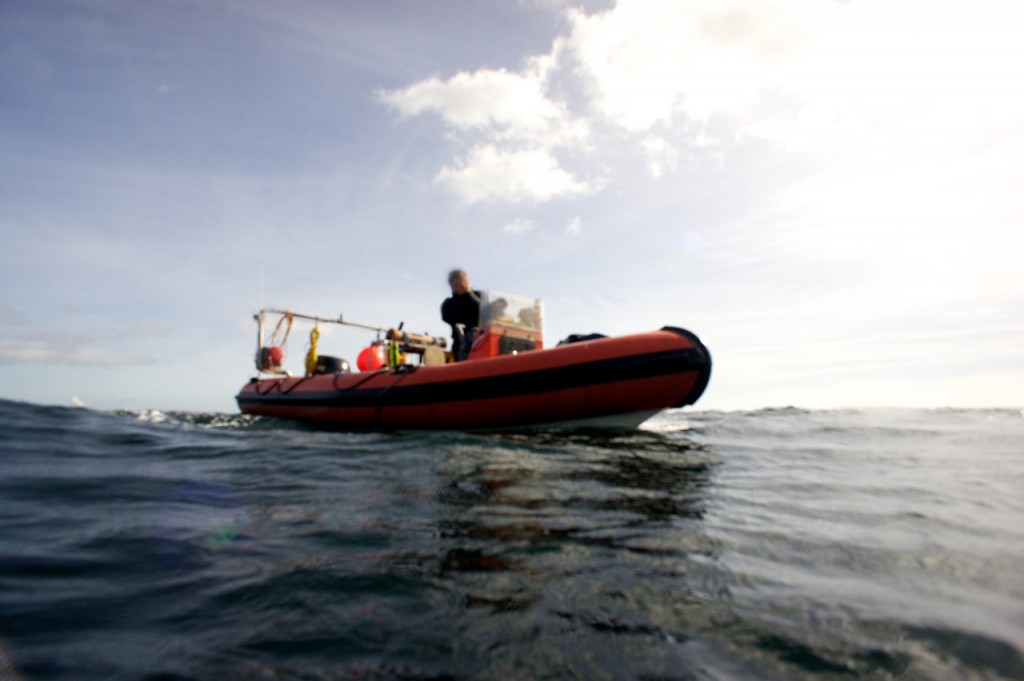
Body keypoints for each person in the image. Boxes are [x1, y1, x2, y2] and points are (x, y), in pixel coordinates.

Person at [441, 269, 480, 361]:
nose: (459, 284)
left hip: (480, 342)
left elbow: (484, 312)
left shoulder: (480, 296)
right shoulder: (448, 303)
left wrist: (468, 293)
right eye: (455, 282)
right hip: (460, 345)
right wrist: (459, 296)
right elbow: (449, 317)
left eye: (461, 280)